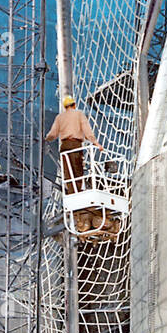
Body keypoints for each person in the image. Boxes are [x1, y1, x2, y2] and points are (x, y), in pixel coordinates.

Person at [45, 95, 119, 240]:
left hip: (65, 146)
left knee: (70, 174)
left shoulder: (61, 118)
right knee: (77, 173)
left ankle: (76, 193)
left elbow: (53, 133)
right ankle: (77, 192)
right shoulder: (79, 115)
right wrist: (96, 143)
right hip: (76, 145)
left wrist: (46, 140)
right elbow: (87, 131)